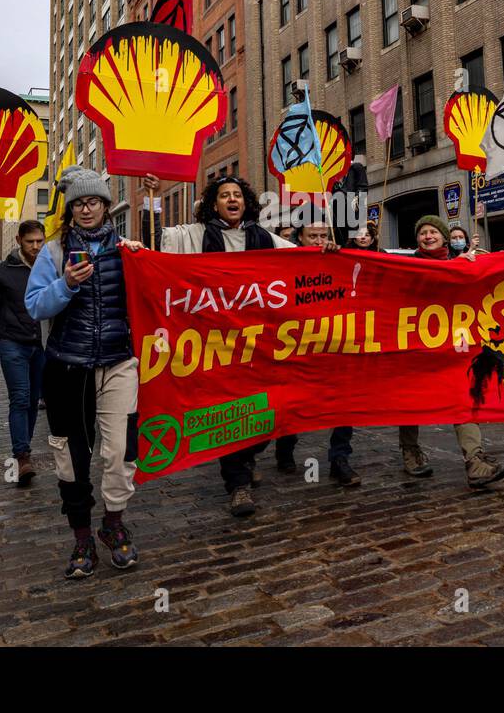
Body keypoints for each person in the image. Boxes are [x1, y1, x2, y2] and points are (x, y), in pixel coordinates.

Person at [150, 173, 297, 517]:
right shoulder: (195, 236)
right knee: (230, 413)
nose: (232, 200)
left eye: (237, 195)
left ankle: (249, 454)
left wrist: (329, 251)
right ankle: (238, 485)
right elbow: (155, 240)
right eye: (224, 195)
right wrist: (152, 200)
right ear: (213, 204)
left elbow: (304, 261)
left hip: (259, 345)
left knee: (265, 414)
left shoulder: (265, 239)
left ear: (246, 202)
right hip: (216, 345)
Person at [26, 167, 145, 577]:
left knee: (120, 453)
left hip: (118, 361)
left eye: (93, 201)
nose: (86, 209)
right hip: (67, 368)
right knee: (72, 457)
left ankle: (113, 525)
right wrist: (66, 285)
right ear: (70, 209)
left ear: (107, 206)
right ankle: (81, 538)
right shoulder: (54, 251)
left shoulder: (127, 248)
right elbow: (35, 306)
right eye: (79, 203)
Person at [399, 215, 504, 488]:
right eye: (423, 232)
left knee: (461, 397)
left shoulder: (459, 263)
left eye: (432, 232)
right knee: (410, 402)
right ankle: (410, 452)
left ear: (443, 236)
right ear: (417, 239)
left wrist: (474, 267)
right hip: (416, 345)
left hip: (453, 346)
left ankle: (474, 461)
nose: (428, 236)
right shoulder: (404, 264)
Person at [272, 218, 359, 486]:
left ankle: (339, 459)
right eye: (313, 236)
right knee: (293, 403)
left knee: (344, 404)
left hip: (335, 347)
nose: (320, 241)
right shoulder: (288, 262)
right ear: (301, 238)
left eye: (323, 235)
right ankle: (284, 447)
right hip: (297, 347)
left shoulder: (338, 259)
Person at [0, 220, 48, 485]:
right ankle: (22, 456)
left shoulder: (48, 268)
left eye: (40, 241)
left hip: (39, 344)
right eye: (30, 241)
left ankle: (25, 445)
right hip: (12, 343)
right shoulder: (2, 272)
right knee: (19, 398)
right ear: (19, 240)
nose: (35, 247)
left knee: (32, 400)